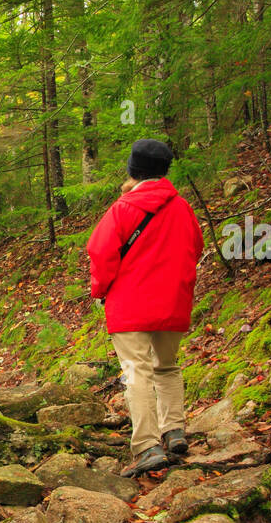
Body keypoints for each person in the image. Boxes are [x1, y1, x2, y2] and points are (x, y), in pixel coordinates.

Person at [86, 139, 204, 477]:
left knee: (136, 372)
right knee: (166, 367)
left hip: (130, 305)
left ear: (133, 170)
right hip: (172, 302)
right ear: (164, 170)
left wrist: (100, 290)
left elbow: (100, 252)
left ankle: (149, 446)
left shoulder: (123, 208)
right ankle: (175, 432)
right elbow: (195, 248)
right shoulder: (182, 207)